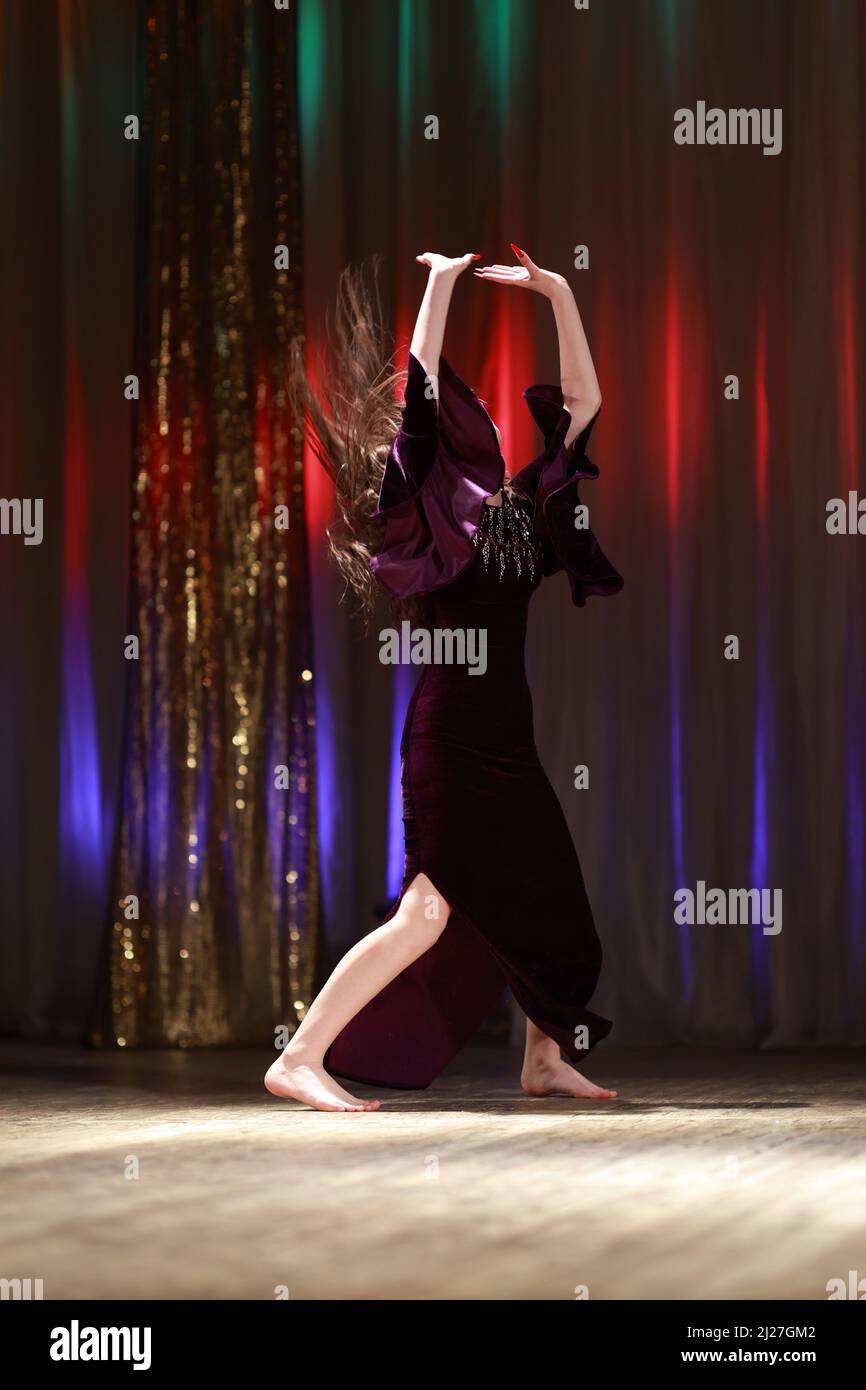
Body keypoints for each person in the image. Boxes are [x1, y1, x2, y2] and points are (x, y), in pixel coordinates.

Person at [266, 245, 623, 1111]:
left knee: (558, 906)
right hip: (447, 739)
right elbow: (418, 391)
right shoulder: (428, 531)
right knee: (426, 915)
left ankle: (543, 1058)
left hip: (510, 740)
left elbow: (585, 404)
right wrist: (441, 284)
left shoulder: (530, 521)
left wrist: (560, 292)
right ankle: (299, 1057)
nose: (482, 444)